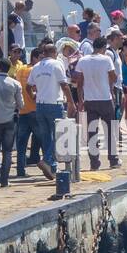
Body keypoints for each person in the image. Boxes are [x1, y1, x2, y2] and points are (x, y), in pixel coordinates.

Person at [26, 42, 76, 179]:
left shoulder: (36, 67)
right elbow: (64, 85)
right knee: (59, 136)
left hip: (40, 105)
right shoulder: (56, 64)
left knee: (47, 137)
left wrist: (33, 96)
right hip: (54, 103)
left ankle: (52, 167)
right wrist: (71, 102)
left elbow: (28, 86)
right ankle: (47, 160)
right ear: (54, 53)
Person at [75, 35, 119, 169]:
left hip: (90, 100)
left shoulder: (83, 60)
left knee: (92, 131)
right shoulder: (106, 59)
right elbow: (114, 77)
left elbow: (79, 82)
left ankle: (94, 162)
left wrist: (80, 99)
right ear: (104, 47)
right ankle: (113, 160)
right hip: (105, 99)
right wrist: (110, 85)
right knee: (110, 131)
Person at [9, 46, 38, 178]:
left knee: (21, 144)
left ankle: (20, 170)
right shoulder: (34, 70)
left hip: (22, 110)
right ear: (35, 58)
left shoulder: (20, 70)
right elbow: (35, 89)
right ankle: (47, 165)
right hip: (34, 110)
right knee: (44, 139)